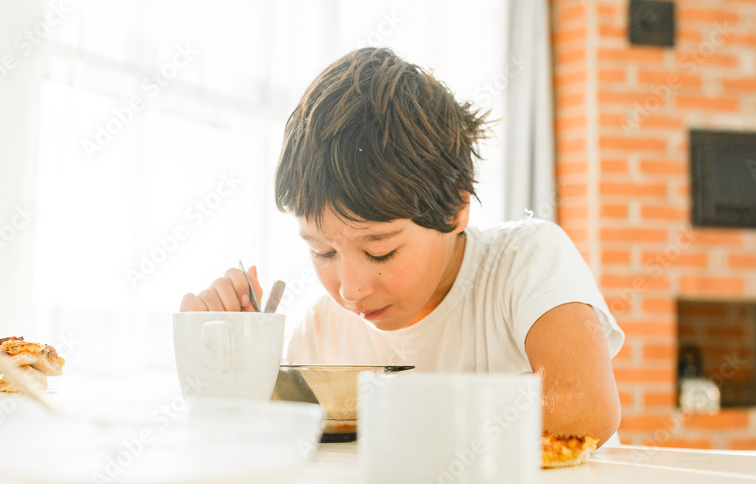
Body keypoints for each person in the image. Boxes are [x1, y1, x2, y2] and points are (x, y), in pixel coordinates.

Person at [180, 47, 624, 445]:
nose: (350, 290)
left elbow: (583, 406)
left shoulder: (525, 262)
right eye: (323, 252)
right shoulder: (322, 332)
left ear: (454, 210)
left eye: (380, 252)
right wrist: (231, 375)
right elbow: (257, 449)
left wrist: (387, 407)